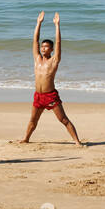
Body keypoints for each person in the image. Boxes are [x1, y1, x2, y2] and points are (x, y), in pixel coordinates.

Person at [21, 11, 84, 145]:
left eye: (46, 47)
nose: (43, 49)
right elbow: (34, 41)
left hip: (50, 96)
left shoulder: (54, 60)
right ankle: (26, 139)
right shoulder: (37, 59)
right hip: (38, 95)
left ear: (51, 49)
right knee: (33, 119)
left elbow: (59, 42)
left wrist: (57, 25)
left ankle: (77, 141)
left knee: (63, 119)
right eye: (42, 47)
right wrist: (38, 23)